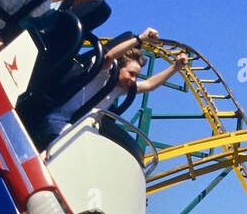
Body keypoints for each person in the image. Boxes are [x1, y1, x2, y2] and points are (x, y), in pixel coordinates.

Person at [38, 28, 187, 143]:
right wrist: (140, 38)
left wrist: (175, 67)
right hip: (57, 123)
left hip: (75, 132)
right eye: (131, 73)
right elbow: (109, 56)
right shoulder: (101, 72)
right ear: (118, 68)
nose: (133, 80)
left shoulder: (119, 89)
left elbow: (149, 84)